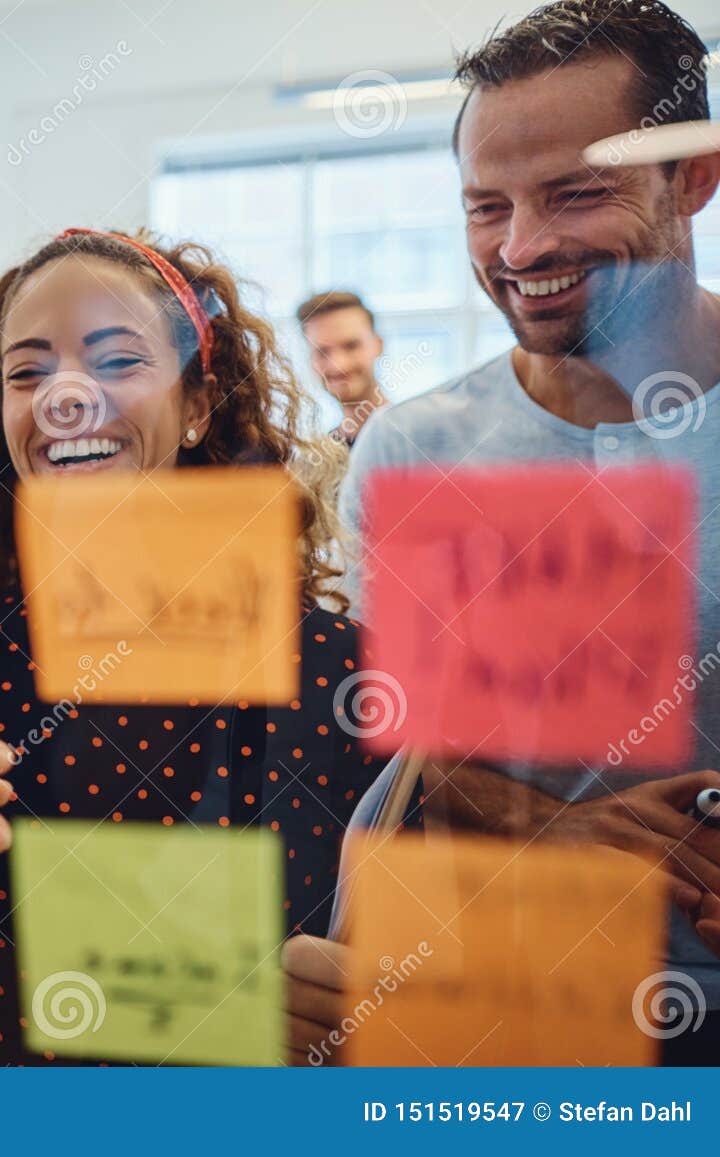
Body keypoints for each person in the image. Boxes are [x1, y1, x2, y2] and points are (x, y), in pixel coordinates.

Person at [0, 228, 385, 1064]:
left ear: (199, 403)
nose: (65, 396)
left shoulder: (341, 675)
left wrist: (372, 1017)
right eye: (27, 372)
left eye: (116, 361)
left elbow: (424, 997)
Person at [324, 0, 720, 1065]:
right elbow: (413, 740)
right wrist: (560, 828)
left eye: (574, 194)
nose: (523, 247)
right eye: (484, 207)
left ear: (692, 176)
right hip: (487, 1002)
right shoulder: (410, 452)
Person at [295, 291, 389, 448]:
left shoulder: (416, 439)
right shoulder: (319, 457)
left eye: (351, 346)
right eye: (322, 352)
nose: (338, 365)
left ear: (378, 346)